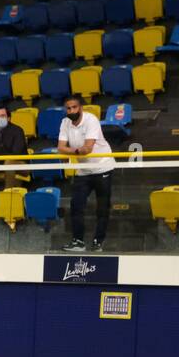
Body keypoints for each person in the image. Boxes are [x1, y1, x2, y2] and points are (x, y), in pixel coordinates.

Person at [58, 94, 115, 253]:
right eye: (68, 108)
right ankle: (78, 242)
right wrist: (76, 150)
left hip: (102, 167)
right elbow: (60, 148)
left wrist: (72, 151)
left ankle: (98, 242)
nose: (71, 110)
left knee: (102, 207)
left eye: (74, 107)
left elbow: (88, 148)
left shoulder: (91, 120)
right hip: (83, 170)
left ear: (80, 108)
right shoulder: (65, 123)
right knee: (76, 205)